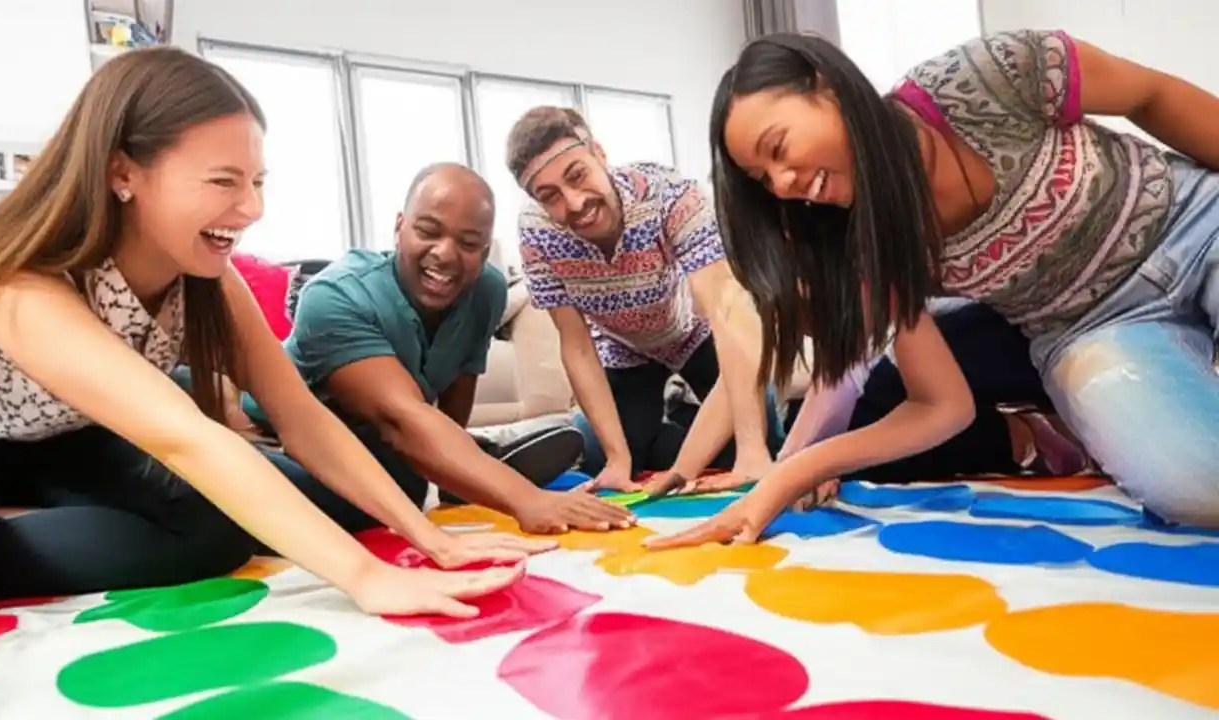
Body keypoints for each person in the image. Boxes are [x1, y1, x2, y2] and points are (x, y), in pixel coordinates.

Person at [0, 47, 549, 614]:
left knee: (217, 531)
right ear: (123, 173)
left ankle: (8, 527)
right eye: (224, 181)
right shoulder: (18, 283)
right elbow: (185, 438)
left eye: (257, 182)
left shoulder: (206, 278)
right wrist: (367, 579)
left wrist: (428, 537)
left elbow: (300, 416)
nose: (253, 208)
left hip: (70, 440)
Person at [651, 29, 1219, 547]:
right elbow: (937, 405)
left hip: (1196, 221)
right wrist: (789, 474)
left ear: (829, 88)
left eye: (778, 149)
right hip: (1090, 328)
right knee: (1198, 488)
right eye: (762, 181)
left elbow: (1151, 95)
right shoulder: (868, 241)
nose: (782, 184)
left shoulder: (985, 77)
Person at [283, 162, 632, 534]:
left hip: (379, 438)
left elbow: (455, 393)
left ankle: (475, 457)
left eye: (468, 244)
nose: (445, 254)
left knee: (414, 475)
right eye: (428, 231)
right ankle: (484, 458)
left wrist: (455, 467)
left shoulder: (486, 290)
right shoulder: (333, 296)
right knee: (395, 485)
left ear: (484, 252)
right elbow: (399, 420)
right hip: (290, 437)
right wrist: (527, 499)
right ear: (400, 226)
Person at [509, 107, 784, 495]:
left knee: (760, 435)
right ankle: (665, 428)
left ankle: (685, 417)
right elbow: (577, 346)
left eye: (578, 175)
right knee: (598, 459)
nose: (573, 203)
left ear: (599, 154)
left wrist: (753, 450)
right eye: (549, 196)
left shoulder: (669, 195)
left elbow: (726, 310)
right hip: (623, 351)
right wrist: (618, 458)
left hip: (691, 335)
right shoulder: (536, 233)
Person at [774, 299, 1089, 507]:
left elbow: (856, 363)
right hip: (920, 346)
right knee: (845, 436)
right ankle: (1017, 438)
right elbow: (850, 358)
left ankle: (1034, 428)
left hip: (1017, 319)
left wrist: (796, 467)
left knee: (868, 413)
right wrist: (795, 464)